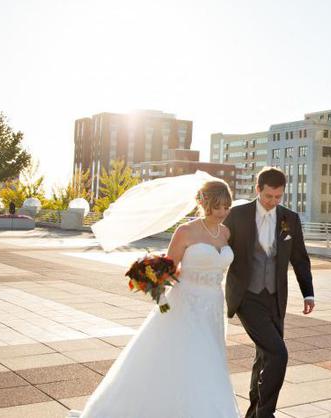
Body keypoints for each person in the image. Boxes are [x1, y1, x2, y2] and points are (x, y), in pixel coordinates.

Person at [71, 180, 240, 417]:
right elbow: (169, 270)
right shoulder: (185, 231)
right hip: (186, 304)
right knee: (190, 359)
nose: (223, 213)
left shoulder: (226, 233)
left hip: (213, 305)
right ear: (204, 204)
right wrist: (156, 288)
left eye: (227, 207)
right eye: (218, 207)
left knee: (211, 361)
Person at [224, 167, 315, 418]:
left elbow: (300, 258)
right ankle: (265, 414)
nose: (273, 202)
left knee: (264, 356)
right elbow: (217, 244)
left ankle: (254, 413)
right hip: (246, 296)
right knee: (278, 353)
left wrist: (308, 293)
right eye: (268, 197)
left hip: (275, 298)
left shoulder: (290, 219)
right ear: (257, 190)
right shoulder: (237, 215)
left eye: (278, 197)